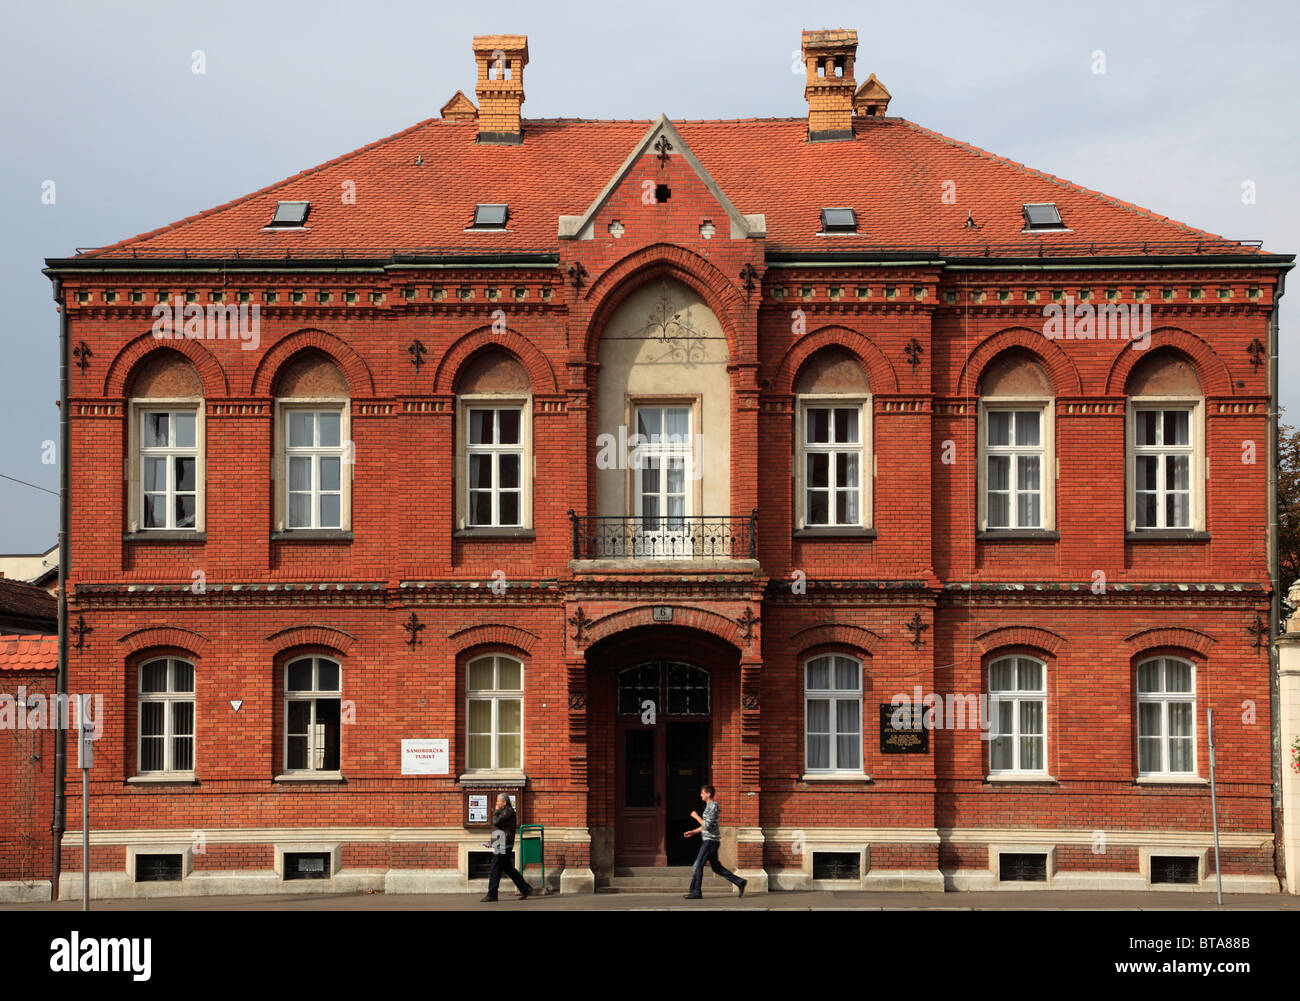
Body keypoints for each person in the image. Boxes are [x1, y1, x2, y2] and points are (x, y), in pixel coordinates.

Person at [682, 784, 746, 899]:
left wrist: (696, 816)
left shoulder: (712, 806)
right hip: (711, 840)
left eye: (702, 793)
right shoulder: (709, 806)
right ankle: (739, 882)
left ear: (708, 794)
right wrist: (693, 832)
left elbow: (706, 825)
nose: (700, 795)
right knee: (716, 868)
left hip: (710, 841)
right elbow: (706, 826)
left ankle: (696, 892)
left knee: (697, 865)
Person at [481, 793, 532, 902]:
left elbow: (496, 822)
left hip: (503, 844)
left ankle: (492, 894)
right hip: (501, 842)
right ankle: (525, 888)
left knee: (495, 869)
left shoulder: (508, 812)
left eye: (498, 801)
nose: (496, 803)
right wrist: (492, 842)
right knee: (508, 868)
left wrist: (496, 811)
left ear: (504, 802)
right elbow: (499, 829)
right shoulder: (505, 811)